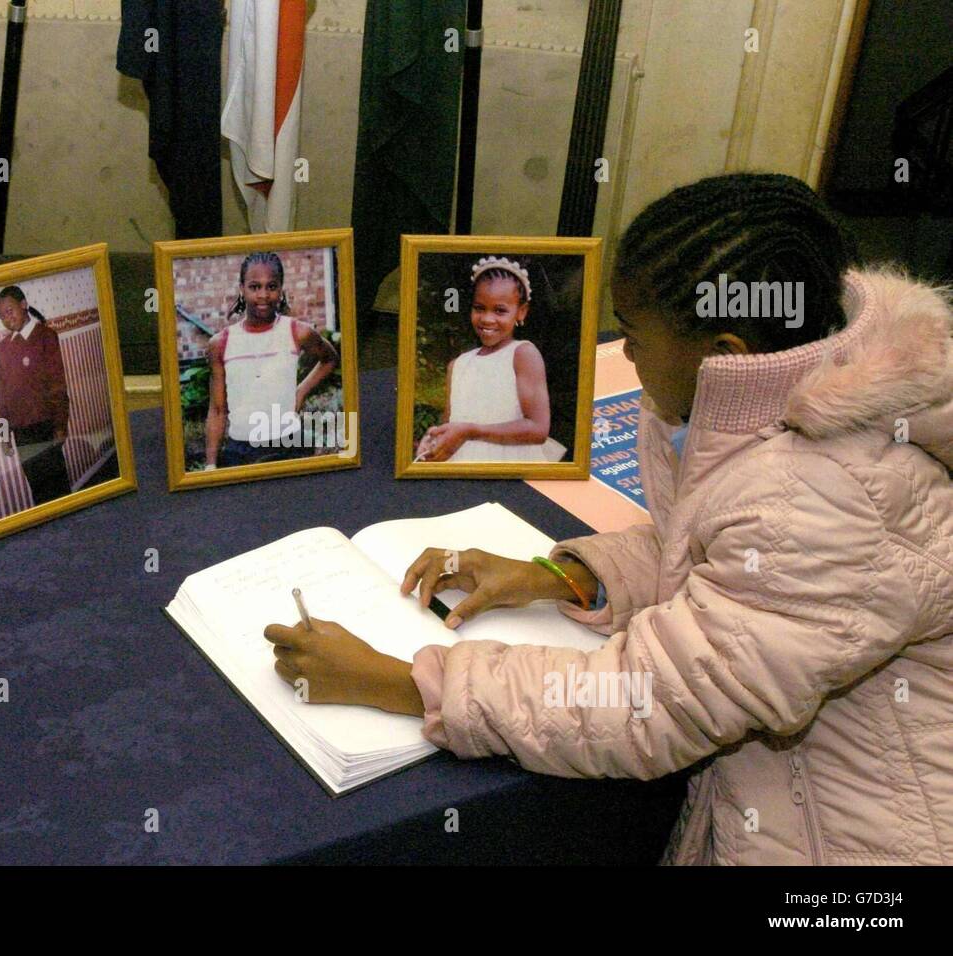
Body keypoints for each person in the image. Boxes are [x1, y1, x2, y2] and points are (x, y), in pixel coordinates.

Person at [264, 173, 953, 865]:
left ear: (724, 355)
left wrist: (395, 681)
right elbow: (721, 556)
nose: (625, 357)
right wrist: (560, 576)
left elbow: (646, 706)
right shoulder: (780, 407)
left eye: (632, 336)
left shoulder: (823, 492)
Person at [416, 257, 566, 462]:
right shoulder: (458, 365)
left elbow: (538, 429)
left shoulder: (522, 354)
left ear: (521, 312)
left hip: (509, 462)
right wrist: (434, 441)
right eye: (479, 308)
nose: (487, 318)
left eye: (500, 310)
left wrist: (471, 431)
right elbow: (451, 424)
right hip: (464, 462)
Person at [203, 252, 339, 468]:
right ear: (242, 289)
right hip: (241, 451)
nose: (263, 295)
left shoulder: (297, 332)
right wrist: (210, 465)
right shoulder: (221, 343)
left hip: (290, 445)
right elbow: (218, 409)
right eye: (255, 287)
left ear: (281, 288)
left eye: (271, 286)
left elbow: (329, 359)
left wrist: (301, 391)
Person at [0, 286, 72, 505]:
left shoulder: (46, 336)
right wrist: (3, 435)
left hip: (45, 427)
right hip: (21, 433)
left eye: (9, 311)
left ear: (23, 305)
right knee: (38, 487)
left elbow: (58, 385)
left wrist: (60, 426)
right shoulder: (4, 348)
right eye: (1, 316)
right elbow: (3, 395)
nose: (6, 319)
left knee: (57, 486)